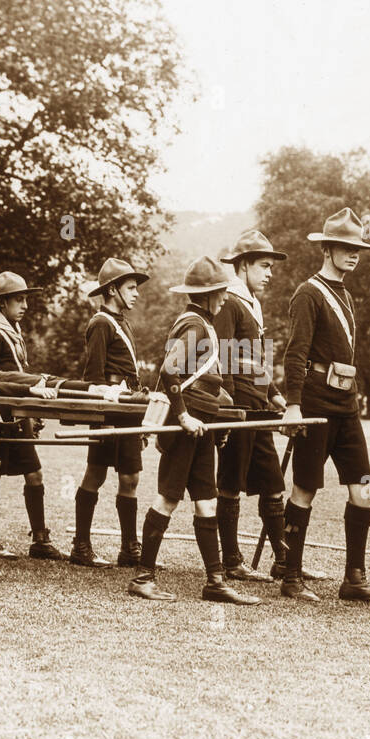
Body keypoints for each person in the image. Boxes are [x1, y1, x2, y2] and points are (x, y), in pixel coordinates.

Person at [278, 208, 370, 606]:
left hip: (346, 405)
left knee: (364, 489)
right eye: (345, 247)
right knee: (304, 489)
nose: (354, 254)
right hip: (313, 402)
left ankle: (355, 579)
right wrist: (293, 405)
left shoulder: (347, 295)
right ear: (326, 248)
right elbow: (295, 354)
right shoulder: (308, 292)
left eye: (358, 248)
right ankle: (291, 576)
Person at [128, 257, 260, 605]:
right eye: (220, 293)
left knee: (206, 500)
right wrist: (184, 416)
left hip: (201, 427)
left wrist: (219, 415)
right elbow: (169, 372)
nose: (223, 299)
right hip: (184, 425)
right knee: (169, 498)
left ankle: (215, 582)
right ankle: (143, 578)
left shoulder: (203, 323)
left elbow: (208, 379)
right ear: (208, 295)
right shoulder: (195, 326)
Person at [214, 230, 291, 583]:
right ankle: (231, 560)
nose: (270, 273)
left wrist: (274, 392)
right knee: (231, 481)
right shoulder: (228, 301)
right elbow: (224, 356)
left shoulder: (253, 304)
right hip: (238, 405)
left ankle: (283, 558)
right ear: (242, 266)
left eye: (271, 266)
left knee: (273, 481)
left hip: (258, 404)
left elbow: (256, 359)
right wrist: (227, 408)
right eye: (263, 265)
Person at [0, 272, 66, 560]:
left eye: (26, 299)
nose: (25, 305)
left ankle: (39, 540)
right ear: (1, 303)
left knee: (34, 473)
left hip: (18, 414)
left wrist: (31, 410)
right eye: (18, 299)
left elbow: (20, 374)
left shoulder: (13, 330)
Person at [70, 258, 150, 569]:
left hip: (127, 408)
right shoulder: (100, 323)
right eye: (131, 288)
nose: (136, 294)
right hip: (109, 408)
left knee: (130, 477)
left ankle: (129, 548)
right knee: (96, 473)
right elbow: (94, 378)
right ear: (113, 289)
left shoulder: (123, 322)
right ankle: (81, 544)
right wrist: (107, 405)